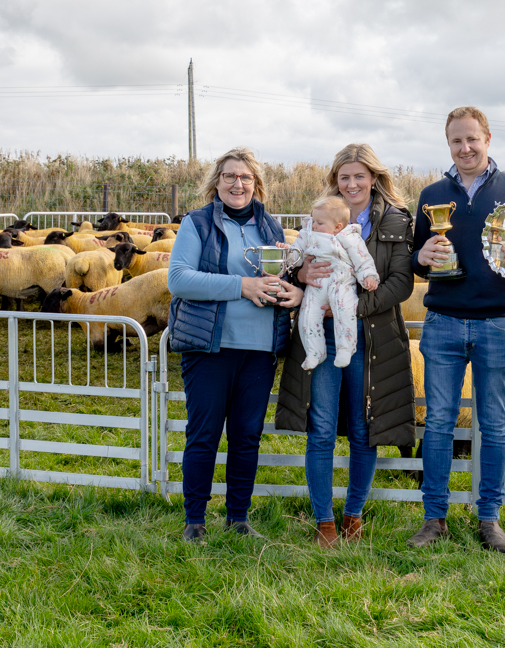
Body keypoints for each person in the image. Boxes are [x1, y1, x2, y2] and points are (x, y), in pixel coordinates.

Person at [407, 106, 505, 552]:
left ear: (488, 138)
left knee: (494, 424)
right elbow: (416, 259)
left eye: (472, 139)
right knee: (438, 423)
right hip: (444, 321)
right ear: (447, 143)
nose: (465, 148)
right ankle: (434, 519)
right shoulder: (432, 193)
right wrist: (423, 256)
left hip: (497, 322)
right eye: (456, 141)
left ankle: (490, 518)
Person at [276, 144, 416, 548]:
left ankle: (354, 513)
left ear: (373, 177)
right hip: (321, 332)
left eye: (359, 176)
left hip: (368, 337)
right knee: (320, 428)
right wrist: (300, 271)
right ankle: (324, 520)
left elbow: (400, 282)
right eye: (344, 177)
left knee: (363, 427)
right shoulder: (317, 218)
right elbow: (295, 268)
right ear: (335, 180)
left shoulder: (394, 221)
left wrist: (352, 310)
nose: (352, 184)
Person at [166, 147, 303, 542]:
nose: (237, 184)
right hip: (210, 346)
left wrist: (288, 291)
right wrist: (242, 286)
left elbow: (281, 277)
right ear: (217, 182)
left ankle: (238, 517)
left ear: (256, 184)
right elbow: (179, 279)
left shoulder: (273, 229)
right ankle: (195, 520)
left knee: (246, 435)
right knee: (204, 432)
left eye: (245, 177)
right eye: (229, 176)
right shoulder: (197, 224)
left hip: (260, 349)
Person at [289, 195, 380, 370]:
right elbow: (297, 253)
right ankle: (315, 352)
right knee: (308, 315)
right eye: (314, 220)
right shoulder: (308, 234)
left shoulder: (350, 237)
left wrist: (369, 277)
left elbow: (362, 260)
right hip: (316, 284)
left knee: (345, 312)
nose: (314, 225)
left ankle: (346, 348)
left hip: (341, 282)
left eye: (319, 223)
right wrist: (287, 254)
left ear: (338, 227)